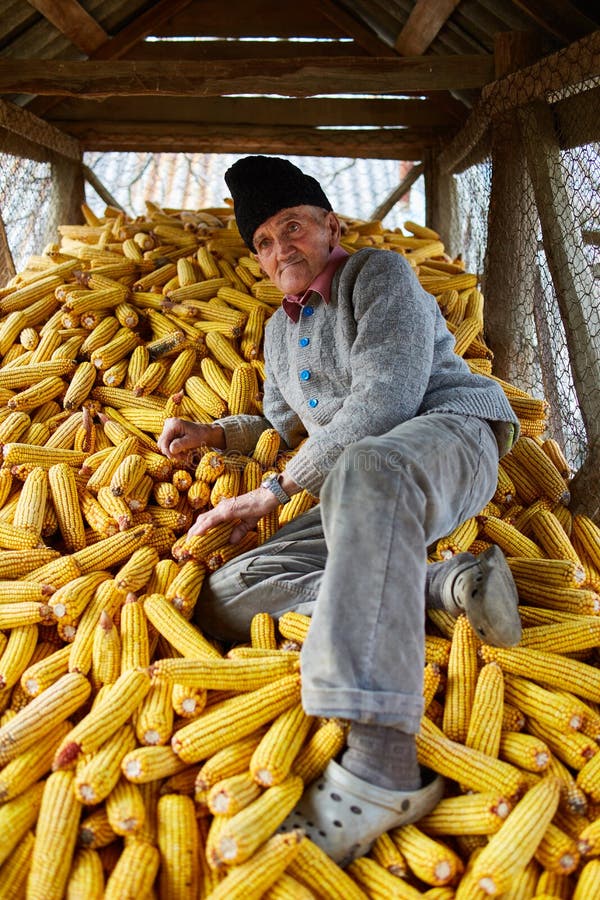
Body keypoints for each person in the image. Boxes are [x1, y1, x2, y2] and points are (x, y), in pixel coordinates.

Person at [158, 155, 522, 865]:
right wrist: (212, 435)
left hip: (446, 442)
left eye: (291, 227)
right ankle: (439, 587)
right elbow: (281, 430)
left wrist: (274, 490)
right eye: (262, 241)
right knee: (228, 594)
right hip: (358, 491)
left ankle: (381, 765)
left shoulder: (376, 277)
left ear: (330, 225)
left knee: (364, 458)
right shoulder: (277, 332)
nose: (278, 249)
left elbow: (384, 402)